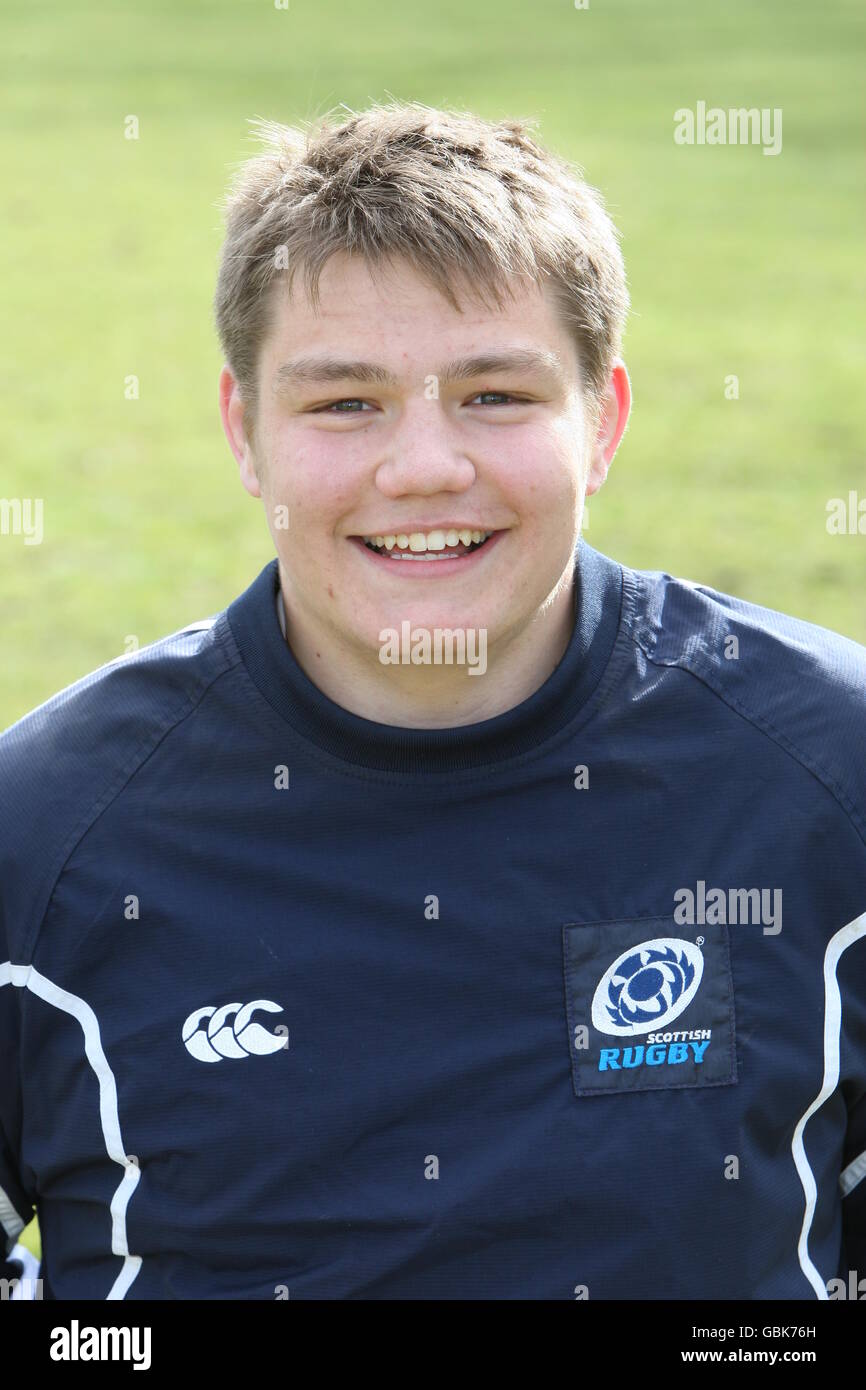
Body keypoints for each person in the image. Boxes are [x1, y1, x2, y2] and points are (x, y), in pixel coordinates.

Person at [1, 101, 864, 1301]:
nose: (422, 467)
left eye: (495, 395)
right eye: (344, 402)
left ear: (600, 422)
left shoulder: (828, 769)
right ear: (245, 432)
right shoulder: (42, 827)